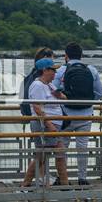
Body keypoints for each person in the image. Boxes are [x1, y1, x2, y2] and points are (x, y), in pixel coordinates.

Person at [51, 43, 102, 185]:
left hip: (65, 115)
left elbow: (53, 91)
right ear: (82, 55)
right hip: (85, 115)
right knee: (82, 147)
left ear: (66, 56)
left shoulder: (61, 70)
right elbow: (99, 93)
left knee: (62, 147)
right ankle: (82, 178)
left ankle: (62, 178)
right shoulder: (91, 70)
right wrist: (87, 102)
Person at [20, 57, 68, 188]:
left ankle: (65, 184)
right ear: (44, 70)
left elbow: (64, 98)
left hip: (52, 126)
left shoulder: (49, 85)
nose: (55, 73)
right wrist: (50, 125)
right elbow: (37, 108)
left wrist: (60, 95)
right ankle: (26, 184)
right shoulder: (37, 85)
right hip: (44, 126)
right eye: (52, 70)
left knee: (59, 153)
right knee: (41, 156)